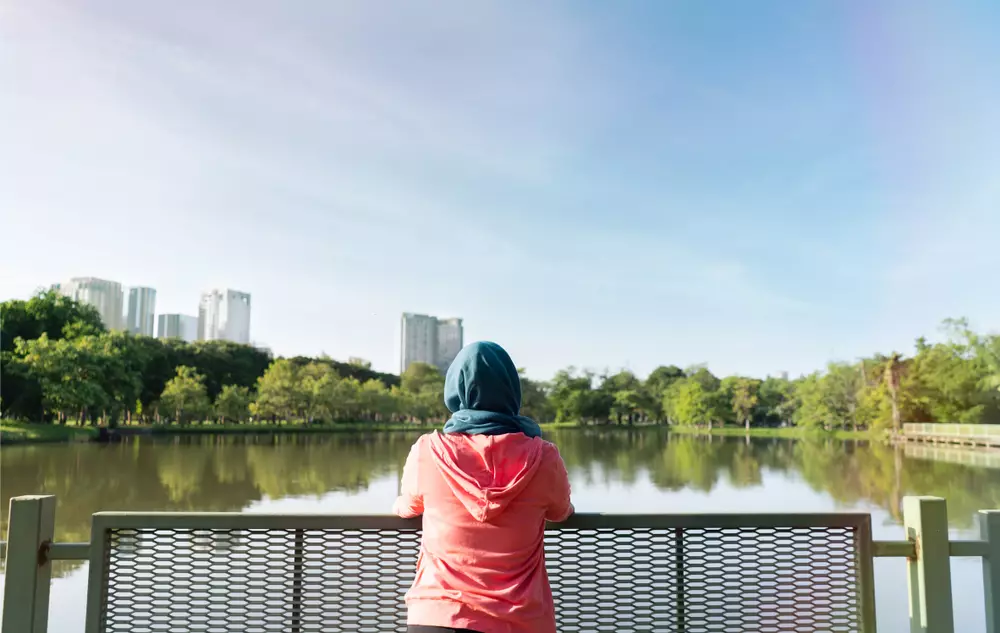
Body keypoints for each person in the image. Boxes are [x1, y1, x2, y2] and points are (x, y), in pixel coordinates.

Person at [393, 341, 574, 633]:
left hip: (437, 616)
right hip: (520, 620)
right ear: (511, 389)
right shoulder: (543, 456)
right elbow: (561, 511)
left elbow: (408, 506)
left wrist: (399, 504)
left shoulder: (428, 450)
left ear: (455, 389)